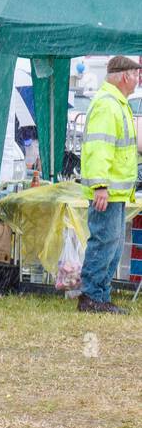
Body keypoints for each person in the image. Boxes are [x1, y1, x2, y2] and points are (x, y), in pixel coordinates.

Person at [78, 55, 140, 314]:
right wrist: (100, 185)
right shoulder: (108, 105)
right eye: (136, 74)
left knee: (111, 245)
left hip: (115, 191)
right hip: (108, 190)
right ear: (124, 76)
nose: (138, 79)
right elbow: (99, 148)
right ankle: (92, 296)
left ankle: (99, 296)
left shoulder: (117, 103)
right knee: (104, 242)